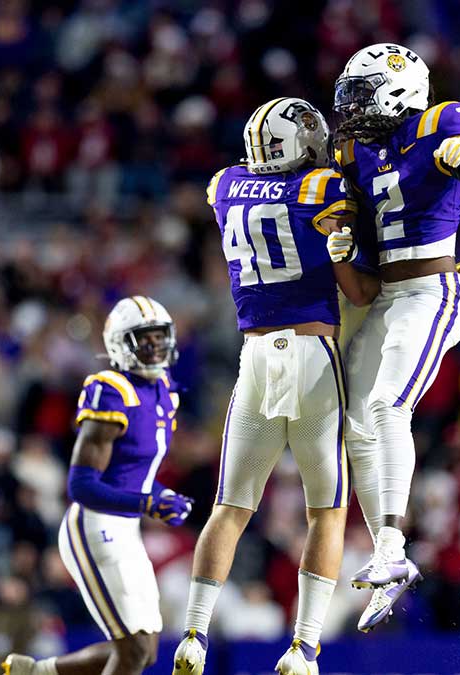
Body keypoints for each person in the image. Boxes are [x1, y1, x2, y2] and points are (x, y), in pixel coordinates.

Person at [171, 97, 376, 675]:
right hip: (312, 353)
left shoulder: (225, 187)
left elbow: (238, 188)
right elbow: (358, 291)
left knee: (229, 508)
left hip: (255, 357)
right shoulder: (322, 188)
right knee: (327, 511)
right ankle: (304, 647)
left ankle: (194, 634)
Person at [327, 42, 460, 630]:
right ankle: (388, 551)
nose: (352, 108)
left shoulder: (441, 122)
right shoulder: (358, 150)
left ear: (399, 90)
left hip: (432, 292)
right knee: (352, 418)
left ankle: (391, 547)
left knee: (387, 405)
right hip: (387, 298)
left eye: (362, 95)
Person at [3, 297, 194, 675]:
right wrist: (147, 504)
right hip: (94, 526)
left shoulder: (164, 390)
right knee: (132, 651)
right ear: (120, 343)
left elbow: (134, 475)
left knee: (145, 650)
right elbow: (81, 485)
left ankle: (38, 672)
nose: (155, 346)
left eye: (160, 337)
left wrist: (161, 494)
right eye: (145, 338)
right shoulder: (111, 389)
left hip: (126, 528)